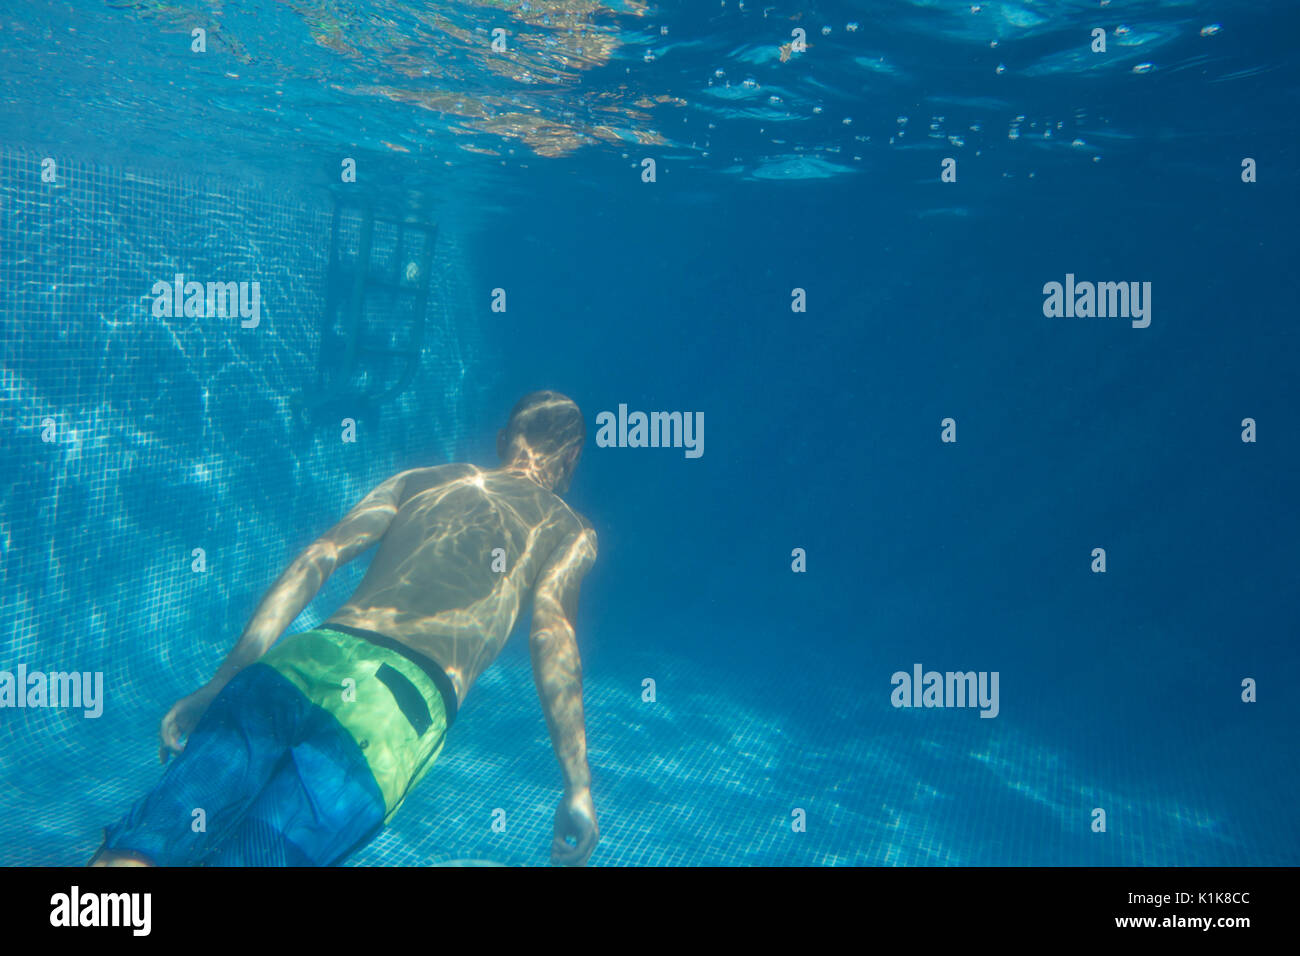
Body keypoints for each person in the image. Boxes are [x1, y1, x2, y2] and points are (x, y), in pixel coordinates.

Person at [91, 391, 599, 867]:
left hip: (298, 662)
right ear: (573, 457)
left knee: (146, 844)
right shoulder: (568, 529)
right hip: (391, 712)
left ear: (501, 439)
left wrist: (225, 677)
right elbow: (550, 636)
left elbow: (318, 558)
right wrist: (577, 784)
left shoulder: (420, 479)